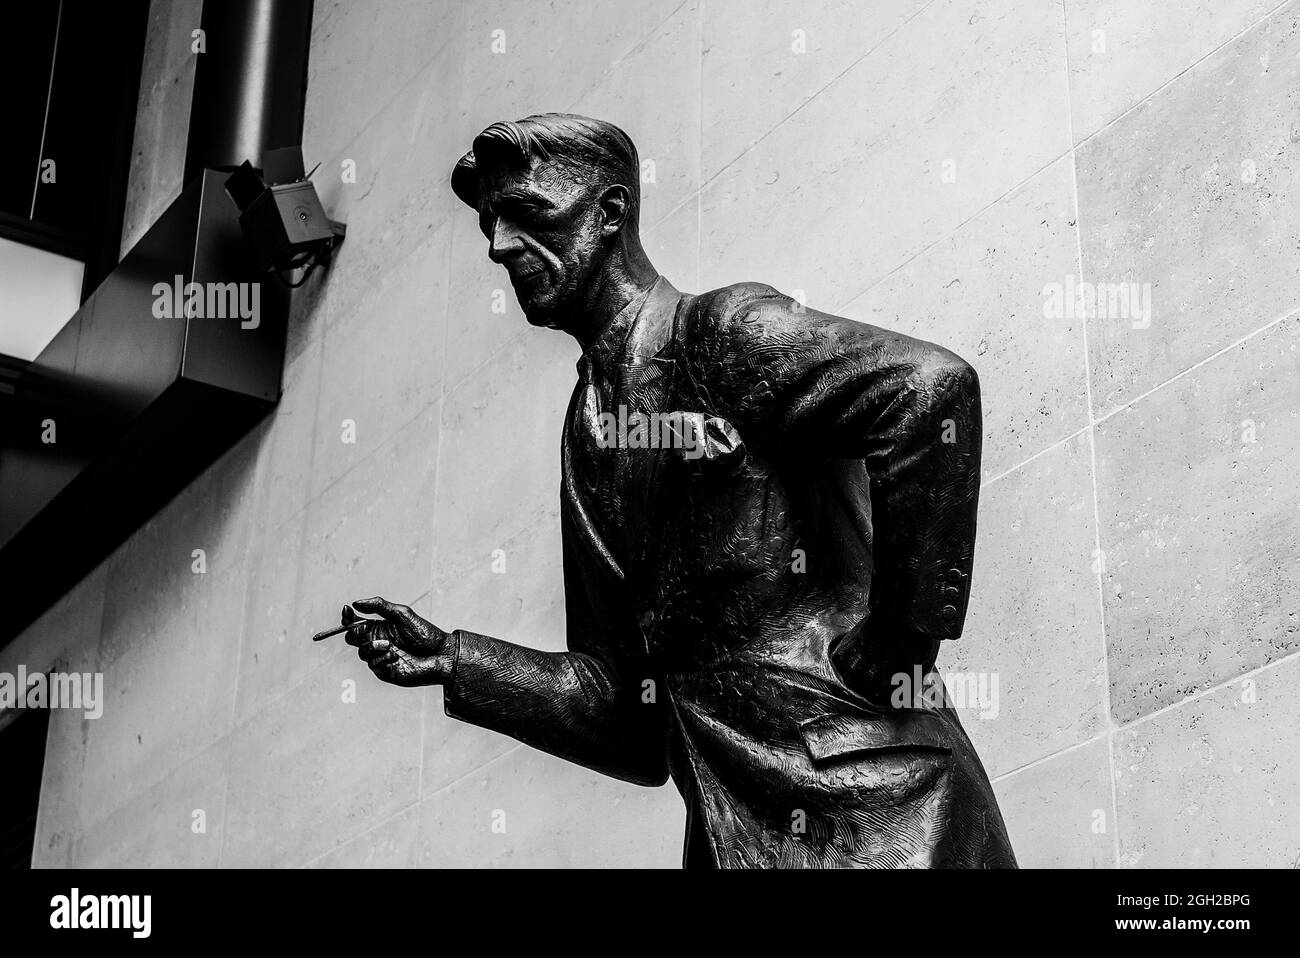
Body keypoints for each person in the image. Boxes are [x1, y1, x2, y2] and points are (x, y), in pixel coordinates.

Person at [317, 113, 1016, 868]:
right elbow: (628, 718)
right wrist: (457, 660)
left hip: (877, 816)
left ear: (610, 212)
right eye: (490, 223)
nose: (499, 246)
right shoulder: (586, 434)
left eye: (526, 214)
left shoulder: (724, 332)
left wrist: (893, 649)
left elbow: (928, 393)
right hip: (732, 835)